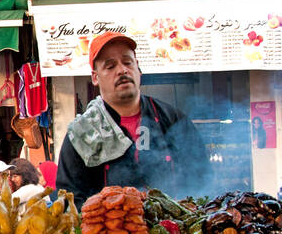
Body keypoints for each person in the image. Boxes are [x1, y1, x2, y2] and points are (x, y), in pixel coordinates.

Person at [55, 32, 205, 205]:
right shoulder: (82, 133)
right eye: (110, 66)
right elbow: (69, 199)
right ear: (95, 77)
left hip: (172, 229)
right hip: (107, 231)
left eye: (127, 62)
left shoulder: (173, 120)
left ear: (138, 68)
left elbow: (200, 180)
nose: (122, 70)